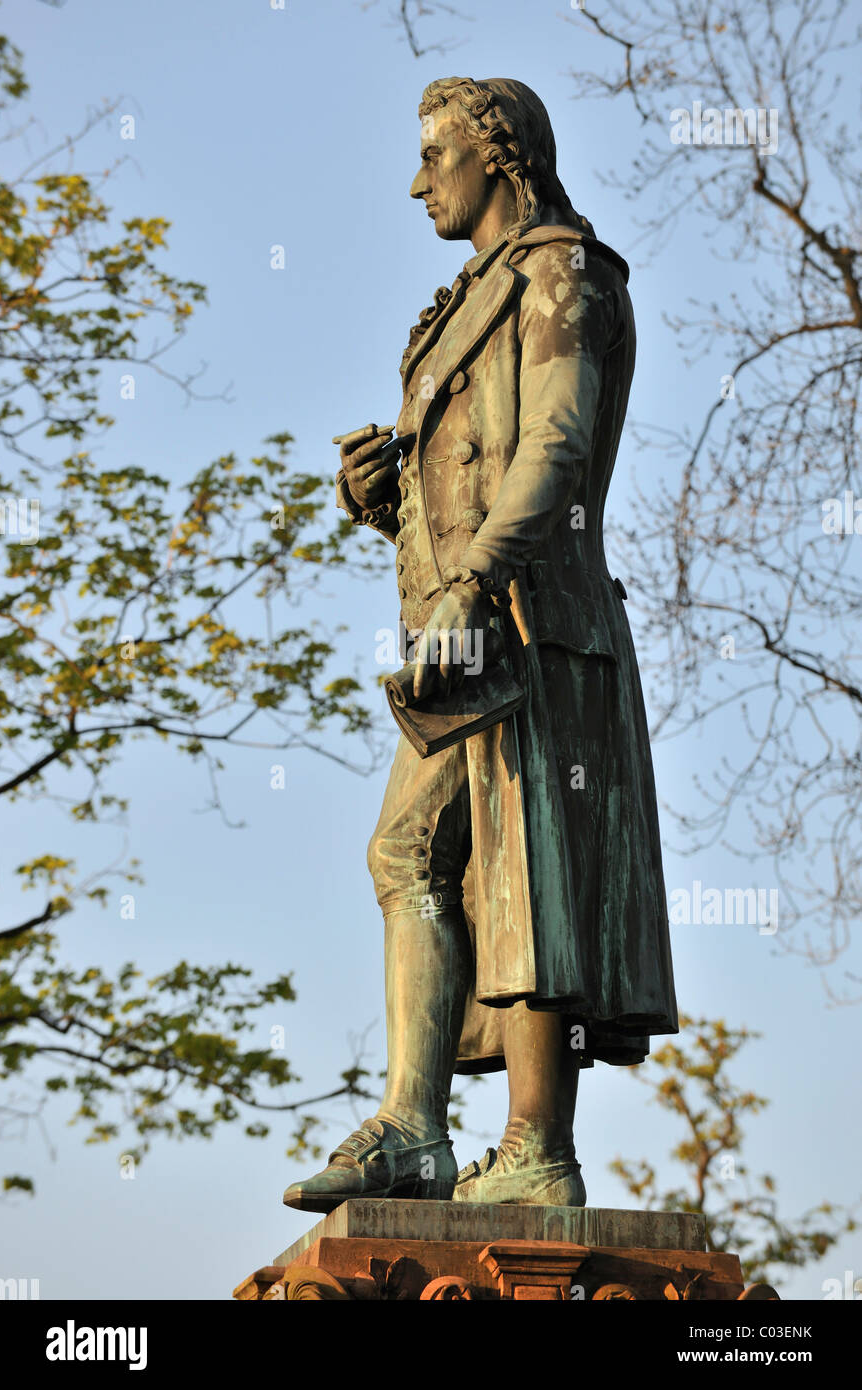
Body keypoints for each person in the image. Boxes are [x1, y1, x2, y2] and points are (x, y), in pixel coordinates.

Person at [283, 76, 678, 1214]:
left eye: (433, 156)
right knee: (409, 853)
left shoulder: (562, 273)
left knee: (523, 879)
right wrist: (384, 495)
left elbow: (550, 454)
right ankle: (412, 1126)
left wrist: (473, 578)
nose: (416, 182)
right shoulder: (463, 303)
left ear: (496, 156)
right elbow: (458, 478)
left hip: (533, 624)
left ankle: (533, 1150)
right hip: (471, 635)